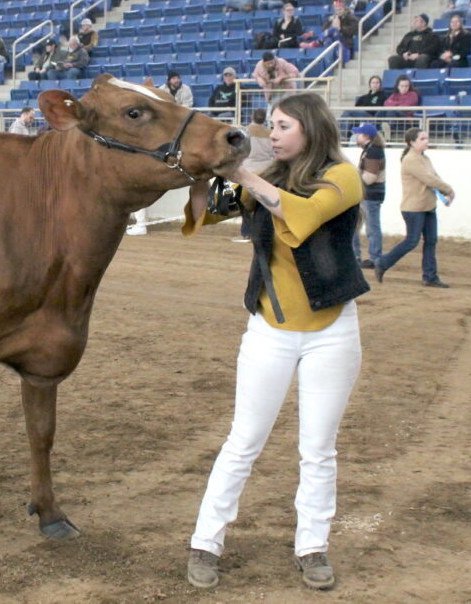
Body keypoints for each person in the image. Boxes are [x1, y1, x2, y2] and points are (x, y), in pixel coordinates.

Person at [183, 92, 367, 593]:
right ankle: (206, 541)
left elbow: (302, 216)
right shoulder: (267, 180)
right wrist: (201, 174)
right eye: (273, 125)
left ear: (311, 128)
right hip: (269, 331)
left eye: (284, 125)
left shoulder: (342, 177)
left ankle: (312, 547)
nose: (274, 133)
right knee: (243, 441)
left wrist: (243, 174)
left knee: (318, 449)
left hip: (332, 333)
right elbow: (202, 216)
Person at [373, 128, 453, 287]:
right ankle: (383, 262)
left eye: (426, 138)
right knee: (412, 241)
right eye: (422, 139)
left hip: (427, 206)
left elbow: (435, 177)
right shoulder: (410, 160)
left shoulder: (424, 158)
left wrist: (445, 191)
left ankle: (430, 276)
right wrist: (449, 190)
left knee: (431, 241)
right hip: (414, 208)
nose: (426, 141)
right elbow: (429, 179)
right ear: (412, 142)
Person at [232, 108, 276, 243]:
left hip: (249, 170)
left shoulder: (244, 132)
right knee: (265, 204)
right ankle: (265, 233)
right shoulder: (270, 133)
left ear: (252, 117)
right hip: (267, 170)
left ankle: (246, 233)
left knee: (246, 204)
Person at [352, 123, 386, 269]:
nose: (356, 136)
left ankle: (374, 258)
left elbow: (370, 178)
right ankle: (372, 257)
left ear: (366, 136)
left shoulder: (373, 152)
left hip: (370, 194)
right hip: (371, 194)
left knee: (371, 227)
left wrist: (354, 180)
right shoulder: (372, 150)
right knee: (370, 226)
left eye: (359, 134)